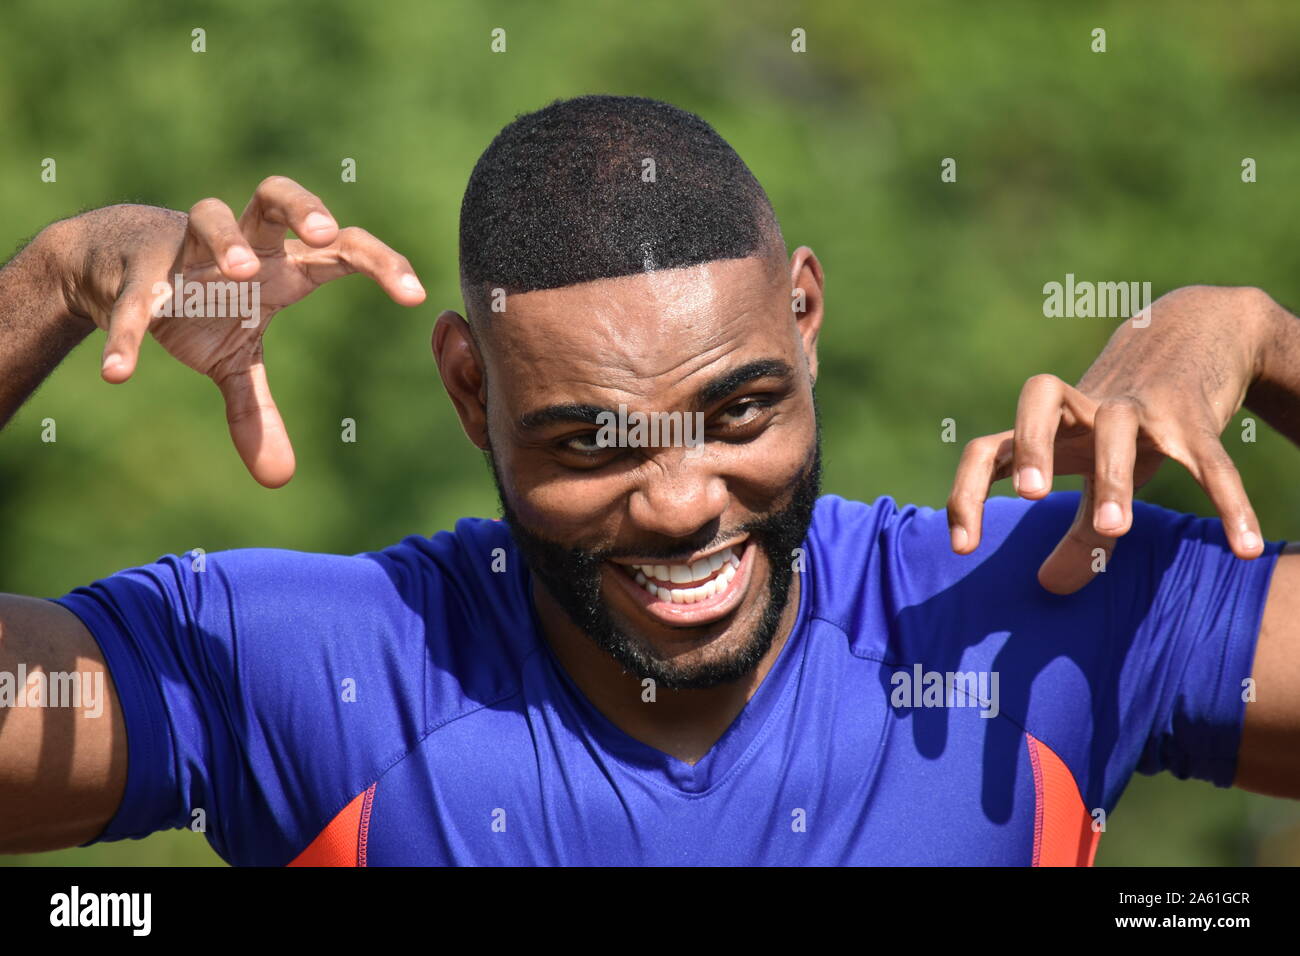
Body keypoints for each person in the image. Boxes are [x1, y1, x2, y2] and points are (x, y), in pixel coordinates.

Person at [0, 95, 1296, 865]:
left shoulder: (1041, 604)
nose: (680, 503)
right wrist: (51, 284)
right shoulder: (320, 672)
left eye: (738, 413)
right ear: (469, 392)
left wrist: (1251, 333)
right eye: (588, 443)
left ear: (804, 314)